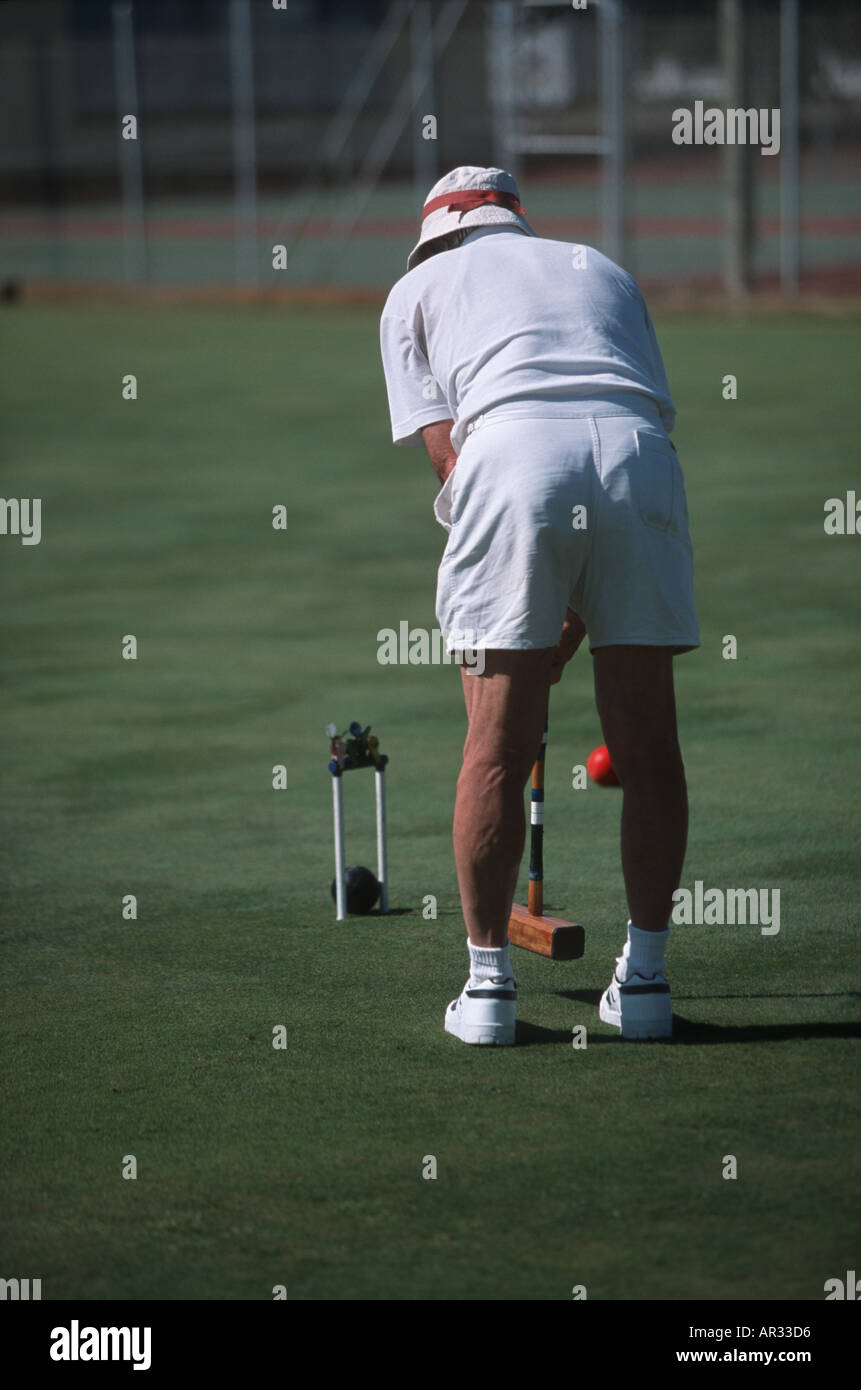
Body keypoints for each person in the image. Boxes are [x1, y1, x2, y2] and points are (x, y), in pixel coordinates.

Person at [379, 166, 699, 1045]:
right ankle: (645, 985)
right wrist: (577, 599)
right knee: (647, 741)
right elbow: (632, 417)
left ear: (437, 233)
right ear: (513, 221)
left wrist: (535, 600)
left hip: (514, 457)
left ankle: (488, 993)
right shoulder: (599, 266)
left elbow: (453, 460)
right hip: (639, 461)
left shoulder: (413, 289)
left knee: (494, 744)